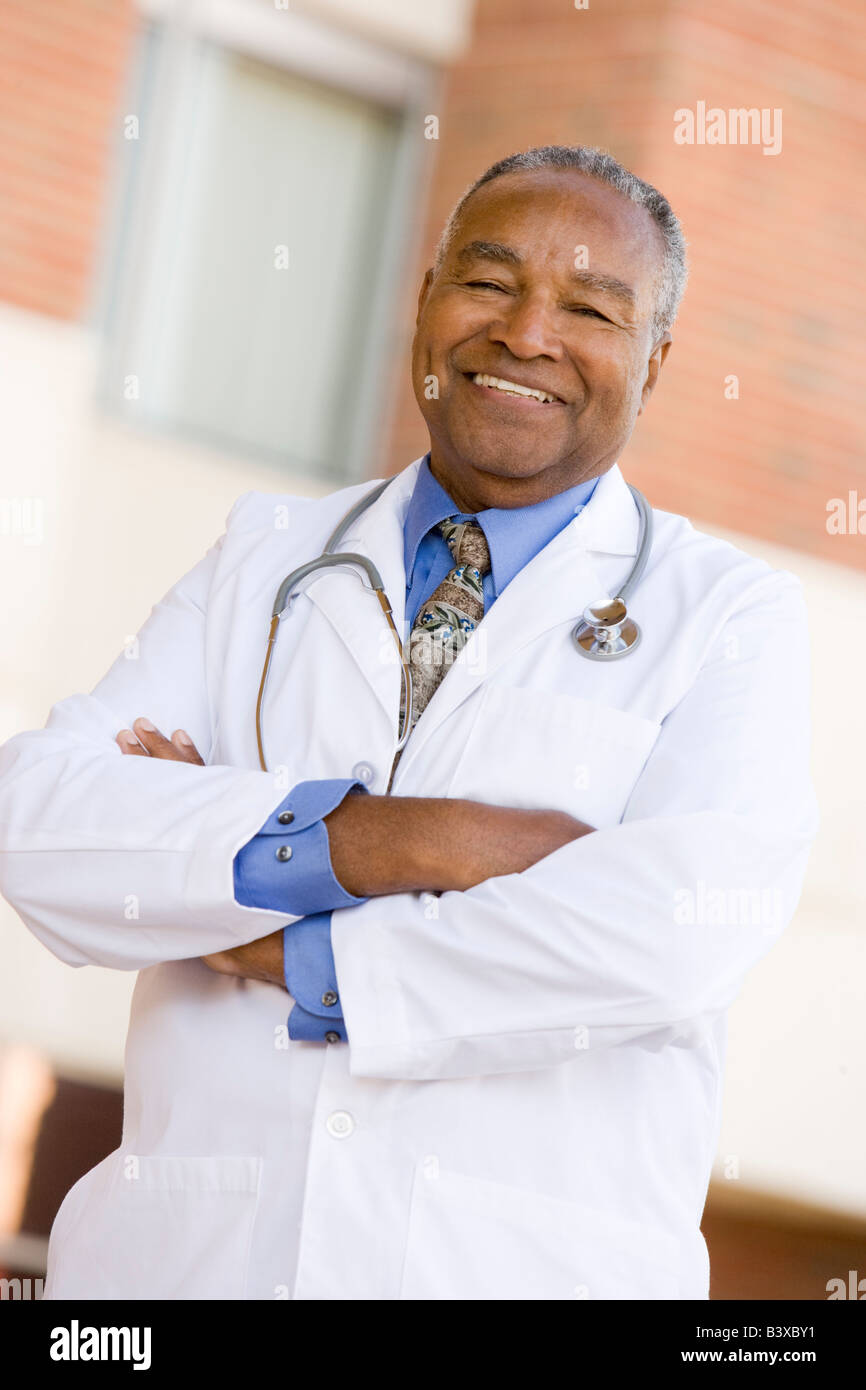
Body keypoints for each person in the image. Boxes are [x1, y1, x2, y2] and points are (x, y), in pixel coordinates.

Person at [0, 145, 817, 1300]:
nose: (526, 334)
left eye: (587, 307)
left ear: (655, 362)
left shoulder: (725, 613)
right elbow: (38, 822)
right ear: (425, 300)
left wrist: (265, 931)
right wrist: (420, 842)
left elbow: (674, 930)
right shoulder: (265, 552)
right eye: (486, 283)